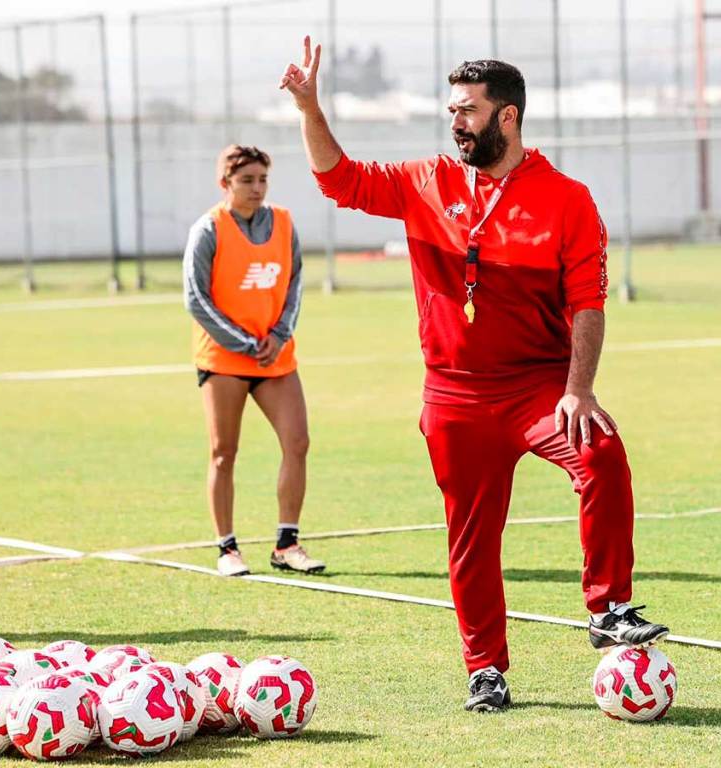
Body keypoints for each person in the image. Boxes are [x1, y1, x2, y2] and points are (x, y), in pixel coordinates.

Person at [280, 37, 668, 712]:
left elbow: (588, 304)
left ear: (507, 117)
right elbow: (339, 181)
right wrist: (311, 108)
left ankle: (609, 608)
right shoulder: (423, 182)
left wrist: (578, 389)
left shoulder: (568, 199)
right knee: (471, 537)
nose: (456, 122)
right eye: (451, 110)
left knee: (601, 453)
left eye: (468, 110)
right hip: (455, 393)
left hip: (541, 386)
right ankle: (485, 669)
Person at [183, 144, 325, 577]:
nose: (257, 188)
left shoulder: (282, 222)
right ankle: (227, 548)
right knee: (224, 453)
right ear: (225, 183)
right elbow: (196, 299)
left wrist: (279, 335)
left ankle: (287, 543)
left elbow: (295, 281)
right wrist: (246, 342)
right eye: (247, 180)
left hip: (274, 357)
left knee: (297, 442)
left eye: (262, 179)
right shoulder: (208, 229)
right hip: (225, 359)